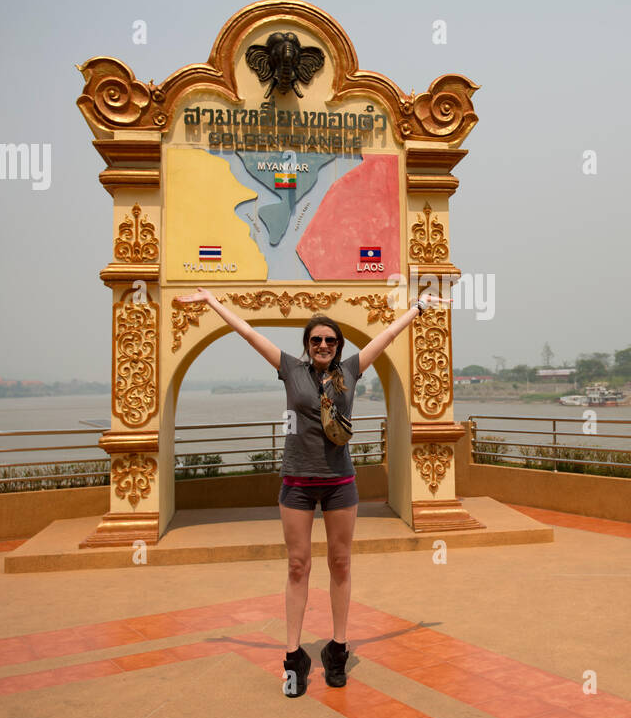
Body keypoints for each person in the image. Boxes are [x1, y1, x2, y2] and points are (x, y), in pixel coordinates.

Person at [173, 286, 448, 697]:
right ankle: (293, 656)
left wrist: (419, 308)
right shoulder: (290, 369)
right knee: (297, 566)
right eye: (316, 339)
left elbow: (387, 336)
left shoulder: (351, 371)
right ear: (307, 345)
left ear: (338, 347)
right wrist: (214, 302)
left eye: (330, 340)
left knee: (340, 563)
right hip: (297, 484)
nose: (323, 345)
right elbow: (248, 333)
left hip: (340, 483)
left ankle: (337, 650)